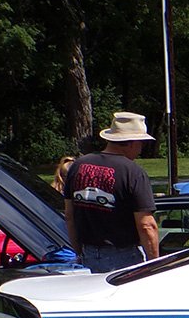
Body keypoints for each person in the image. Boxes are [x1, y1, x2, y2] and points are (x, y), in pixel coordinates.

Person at [63, 111, 159, 273]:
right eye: (141, 143)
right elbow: (146, 225)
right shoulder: (133, 172)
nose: (141, 149)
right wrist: (154, 266)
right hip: (124, 258)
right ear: (131, 143)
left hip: (88, 255)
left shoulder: (78, 166)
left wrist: (79, 251)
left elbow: (69, 215)